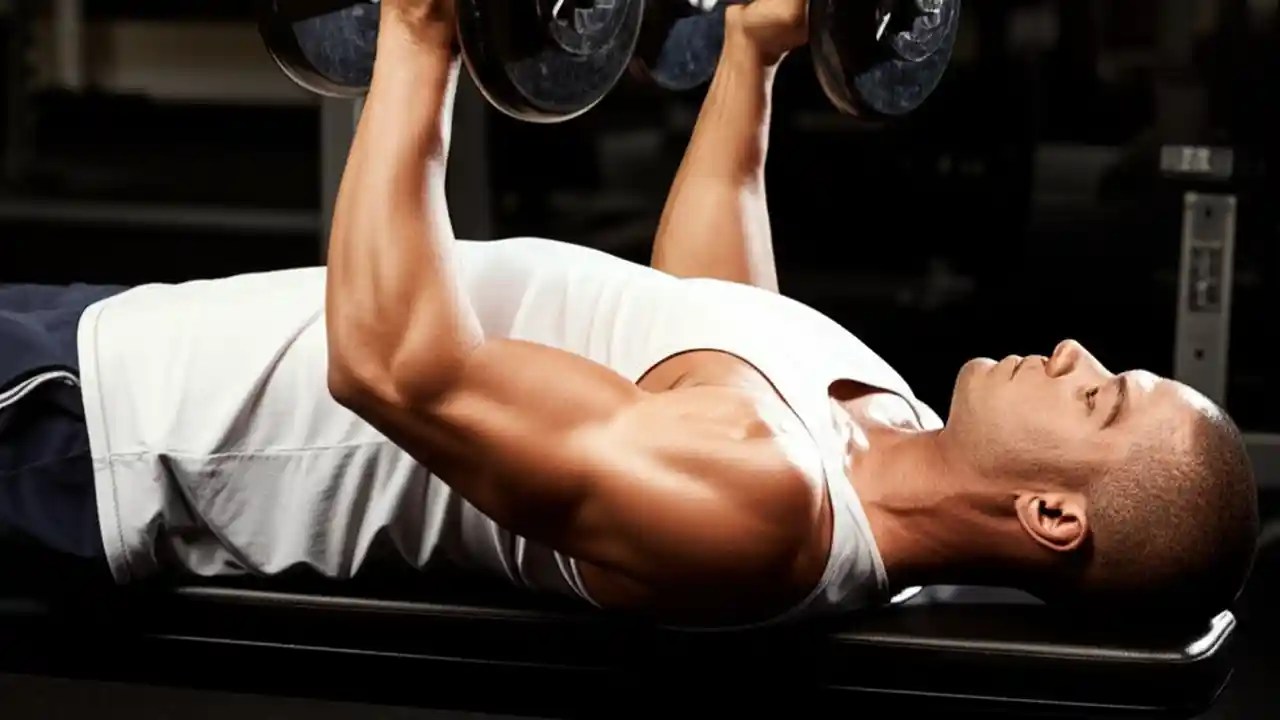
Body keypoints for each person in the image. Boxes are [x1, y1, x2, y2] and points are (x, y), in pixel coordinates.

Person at [0, 0, 1258, 627]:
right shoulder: (877, 426)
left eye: (1101, 397)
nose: (1080, 356)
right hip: (109, 353)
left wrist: (419, 34)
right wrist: (753, 62)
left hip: (101, 431)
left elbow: (389, 367)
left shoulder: (763, 510)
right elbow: (706, 310)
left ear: (1050, 515)